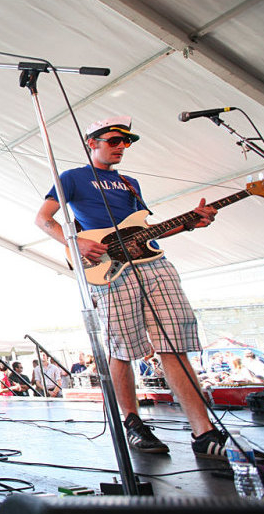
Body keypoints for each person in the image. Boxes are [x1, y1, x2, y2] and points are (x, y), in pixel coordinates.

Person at [34, 115, 226, 460]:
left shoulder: (130, 183)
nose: (122, 147)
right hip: (109, 269)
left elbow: (146, 229)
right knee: (121, 346)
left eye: (127, 142)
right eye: (113, 141)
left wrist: (190, 224)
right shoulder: (73, 177)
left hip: (153, 263)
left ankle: (203, 430)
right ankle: (132, 421)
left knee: (174, 342)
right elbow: (43, 219)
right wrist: (73, 242)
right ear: (92, 143)